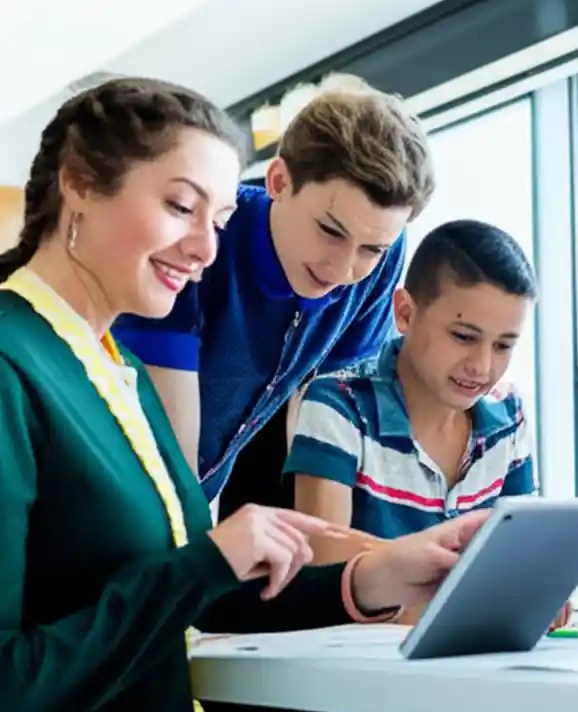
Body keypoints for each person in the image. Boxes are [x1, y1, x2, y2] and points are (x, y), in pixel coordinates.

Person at [0, 76, 490, 712]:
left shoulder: (121, 377)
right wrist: (207, 562)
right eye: (181, 207)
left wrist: (378, 576)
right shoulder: (13, 363)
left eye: (221, 220)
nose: (206, 248)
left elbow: (187, 593)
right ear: (81, 182)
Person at [111, 77, 434, 506]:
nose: (341, 269)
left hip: (197, 493)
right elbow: (169, 468)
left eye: (371, 248)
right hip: (110, 495)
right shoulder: (199, 244)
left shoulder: (379, 262)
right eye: (330, 231)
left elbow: (330, 417)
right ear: (279, 181)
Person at [286, 219, 538, 563]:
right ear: (405, 313)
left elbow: (522, 555)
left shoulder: (508, 416)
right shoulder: (338, 405)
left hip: (479, 618)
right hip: (373, 619)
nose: (481, 366)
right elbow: (323, 559)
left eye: (503, 346)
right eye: (463, 337)